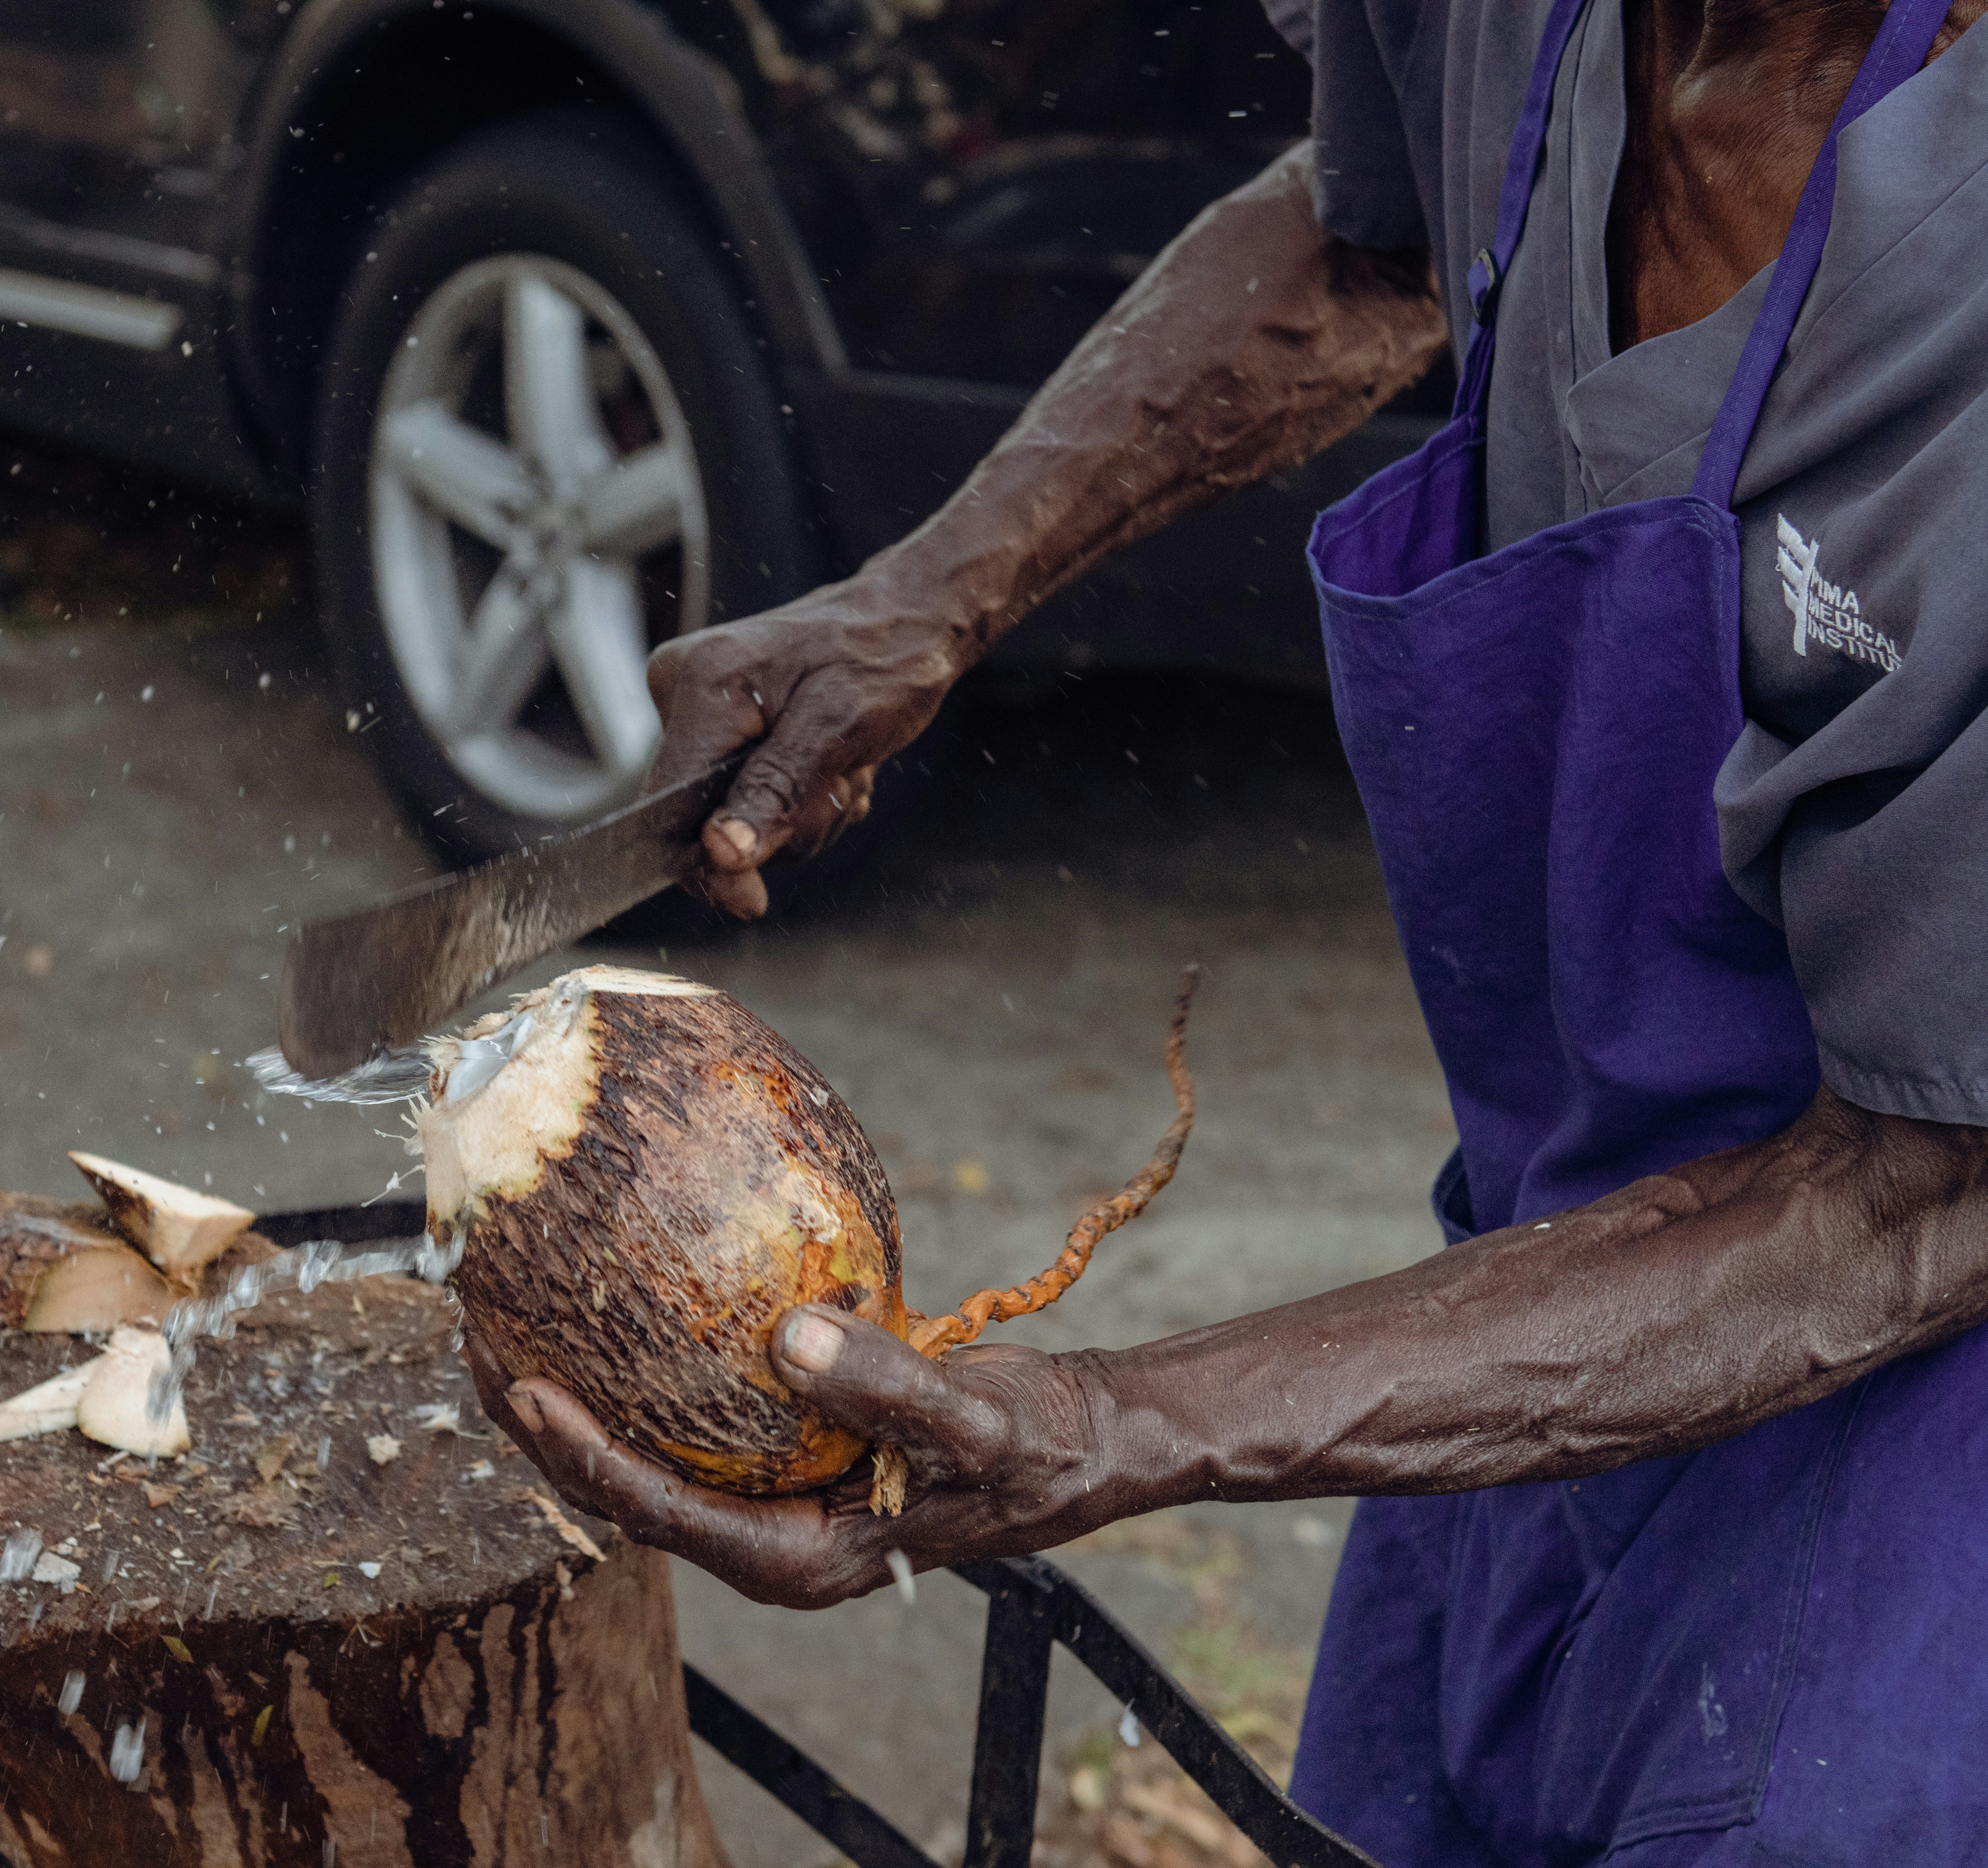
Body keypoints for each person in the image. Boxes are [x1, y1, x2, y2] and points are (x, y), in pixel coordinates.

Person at [463, 1, 1988, 1859]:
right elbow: (1367, 239)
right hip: (1530, 1307)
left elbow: (1922, 1195)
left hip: (1912, 1422)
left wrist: (1121, 1425)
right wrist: (932, 592)